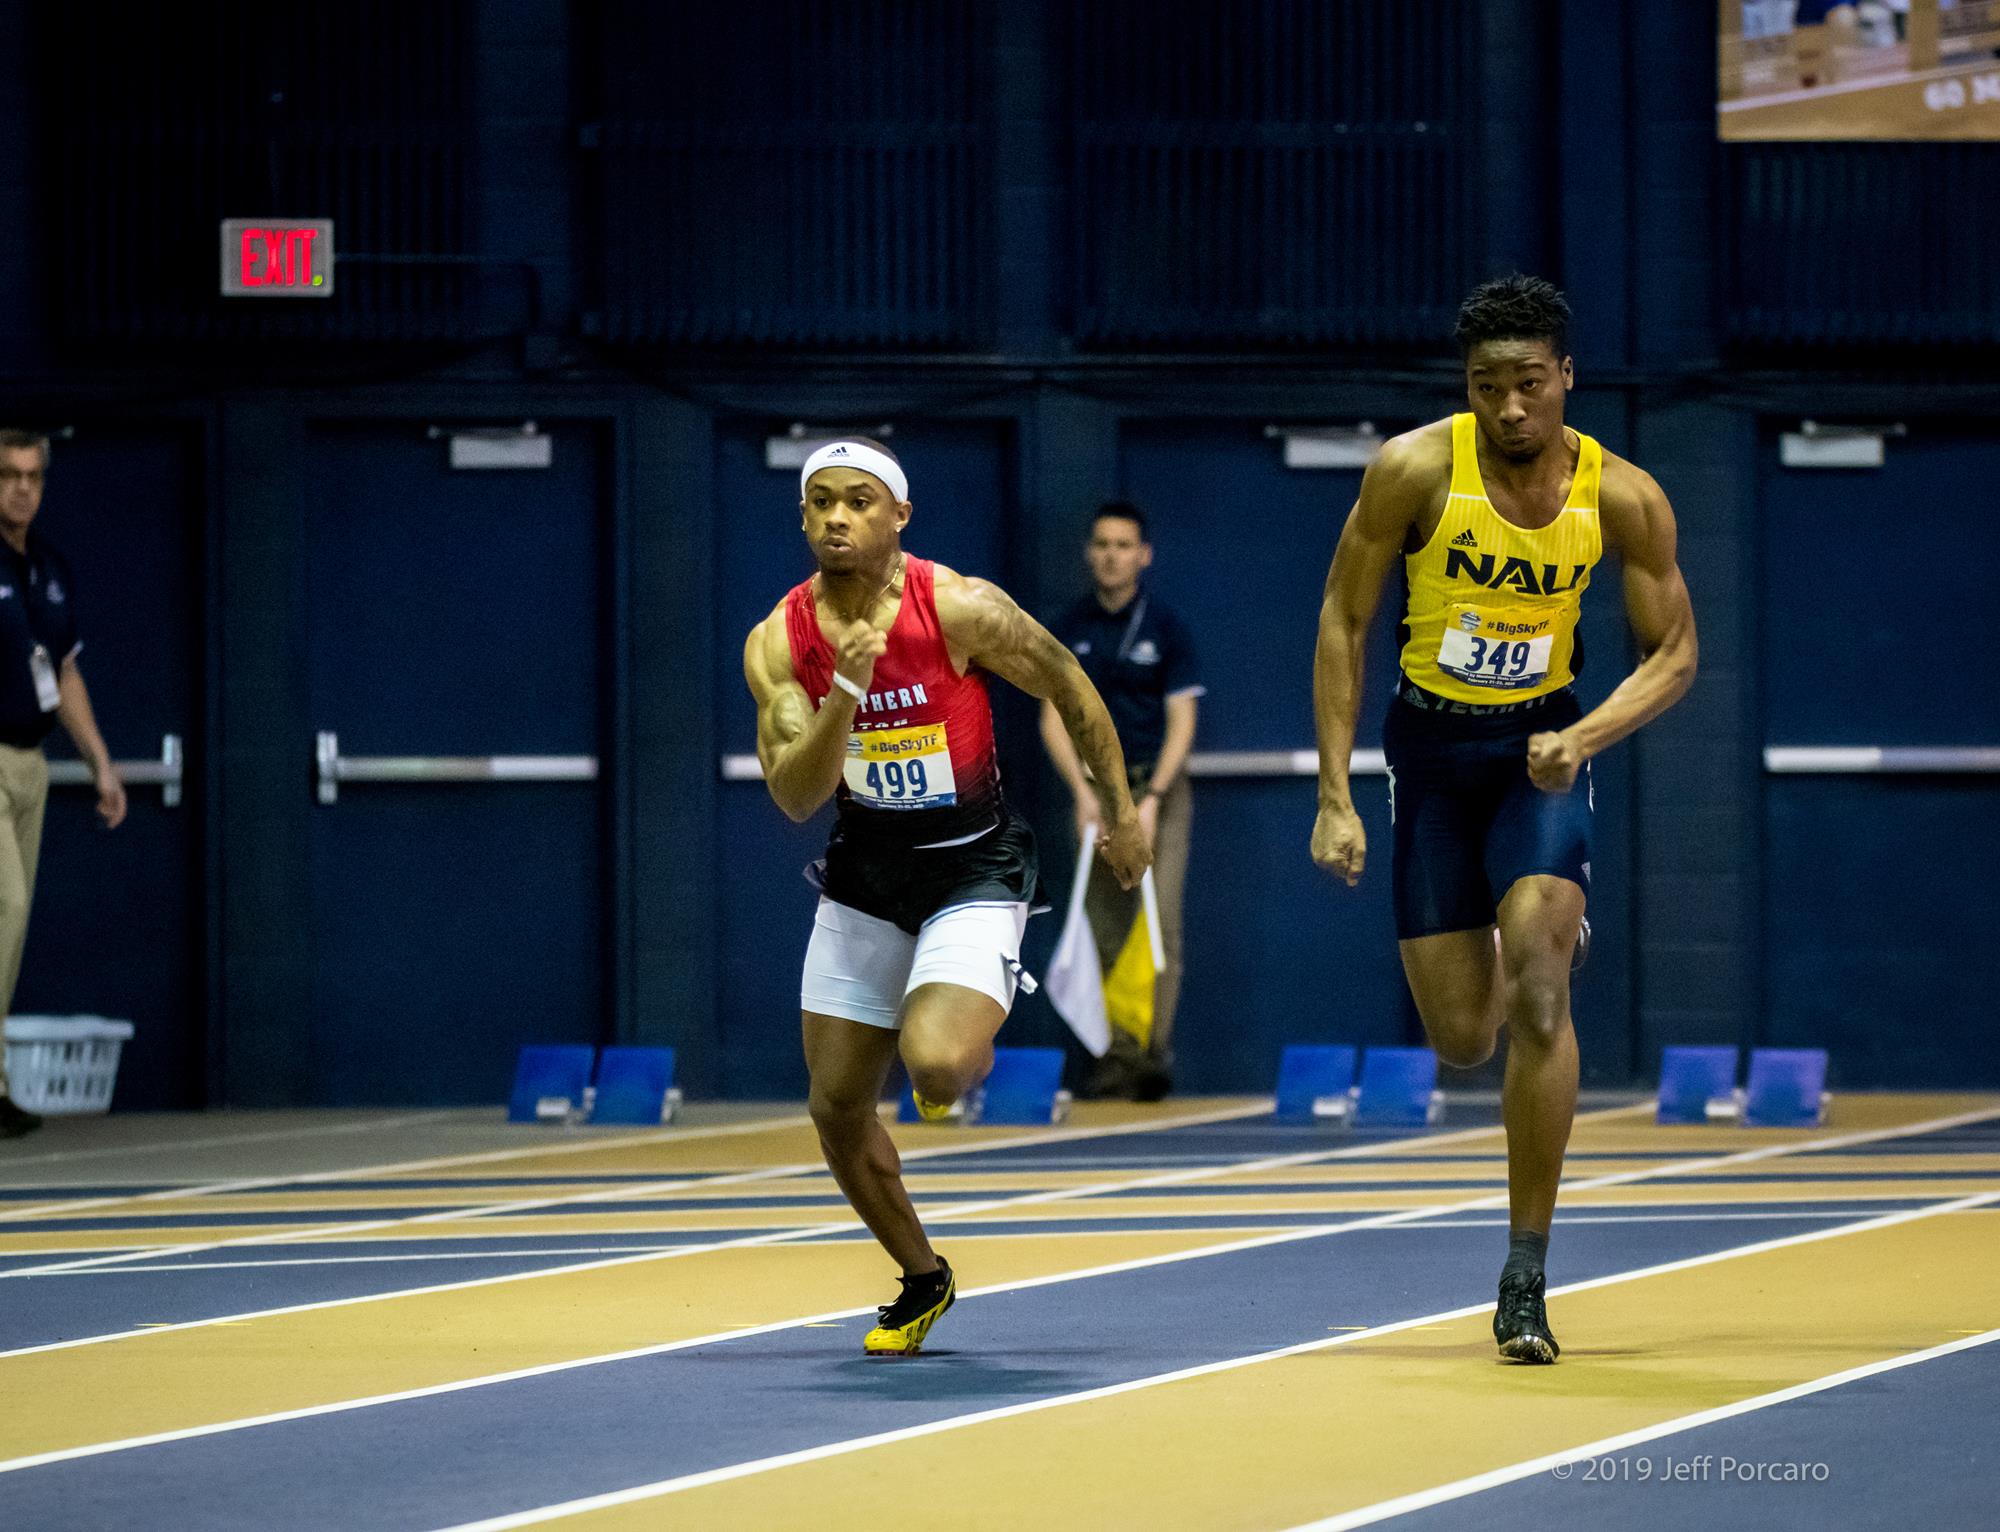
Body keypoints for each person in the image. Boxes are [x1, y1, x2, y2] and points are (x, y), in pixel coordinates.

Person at [1309, 277, 1697, 1363]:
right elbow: (1342, 621)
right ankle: (1515, 917)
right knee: (1461, 1037)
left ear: (1565, 377)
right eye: (1487, 388)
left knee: (1535, 979)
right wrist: (1334, 793)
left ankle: (1523, 1270)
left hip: (1541, 752)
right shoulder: (1414, 472)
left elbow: (1673, 651)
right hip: (1431, 754)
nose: (1510, 408)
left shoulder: (1622, 497)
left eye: (1529, 384)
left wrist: (1587, 736)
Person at [743, 437, 1148, 1356]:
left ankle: (965, 1046)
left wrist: (1121, 811)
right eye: (819, 504)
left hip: (973, 865)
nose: (836, 518)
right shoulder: (778, 642)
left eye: (857, 501)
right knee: (836, 1109)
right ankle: (924, 1277)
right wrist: (846, 684)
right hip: (864, 875)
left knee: (931, 1067)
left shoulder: (957, 605)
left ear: (899, 517)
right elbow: (797, 797)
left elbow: (1069, 683)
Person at [1041, 502, 1203, 1099]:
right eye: (1102, 544)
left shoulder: (1165, 628)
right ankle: (1114, 1056)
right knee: (1102, 927)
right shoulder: (1068, 627)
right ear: (1090, 552)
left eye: (1124, 545)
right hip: (1095, 797)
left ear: (1143, 555)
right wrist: (1083, 794)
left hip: (1155, 790)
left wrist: (1154, 798)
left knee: (1159, 926)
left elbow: (1182, 721)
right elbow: (1053, 719)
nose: (1112, 555)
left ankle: (1151, 1058)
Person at [0, 430, 128, 1139]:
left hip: (30, 762)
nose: (22, 488)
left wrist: (100, 763)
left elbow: (65, 671)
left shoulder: (48, 568)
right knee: (4, 904)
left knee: (10, 931)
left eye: (32, 476)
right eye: (8, 475)